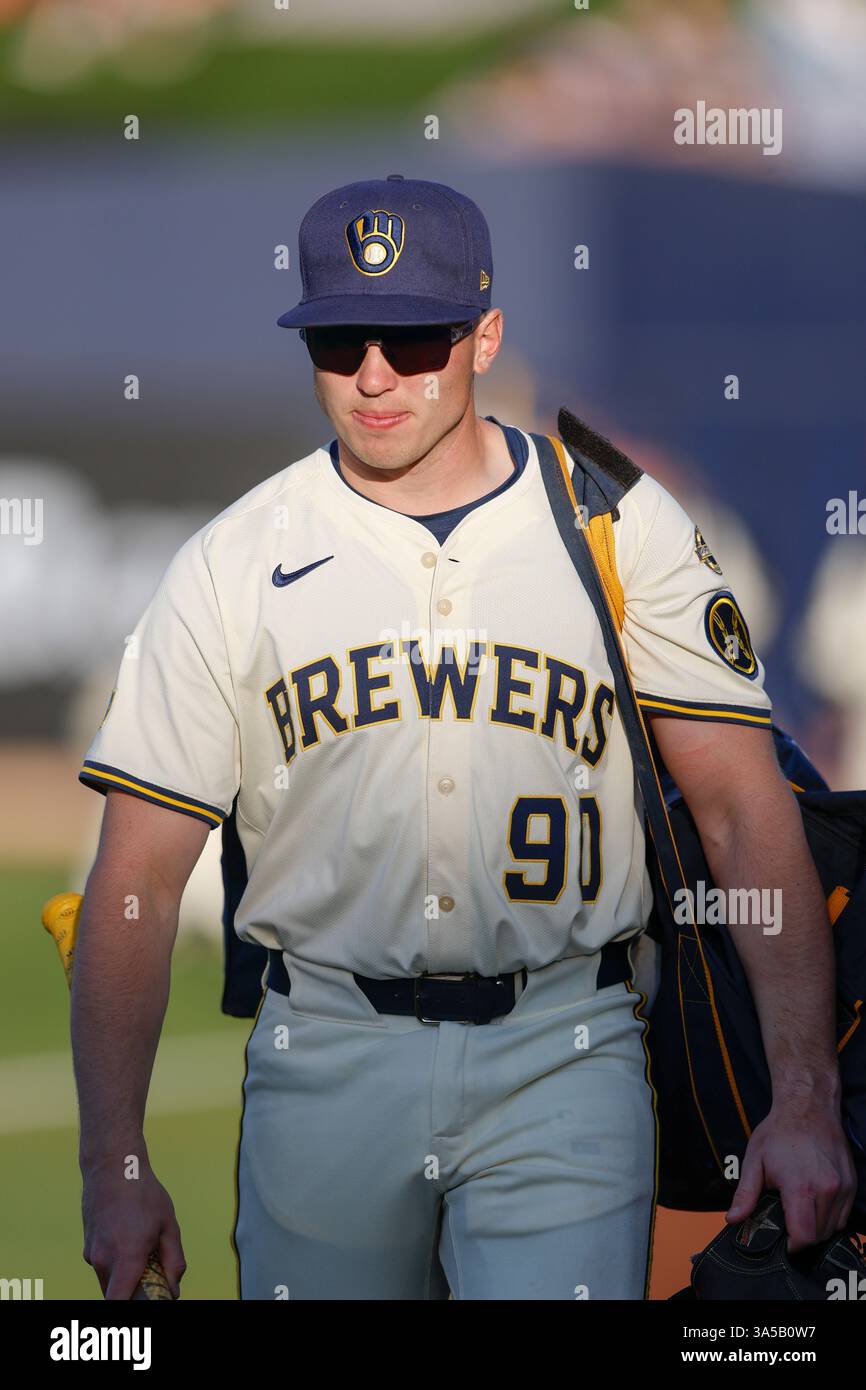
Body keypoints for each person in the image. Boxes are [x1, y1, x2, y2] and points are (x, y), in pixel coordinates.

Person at [74, 175, 855, 1301]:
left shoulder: (613, 520)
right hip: (323, 1055)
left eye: (413, 336)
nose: (375, 373)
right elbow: (137, 875)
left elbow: (741, 809)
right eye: (340, 339)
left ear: (484, 334)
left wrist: (802, 1098)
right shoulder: (232, 561)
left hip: (565, 1046)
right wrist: (117, 1164)